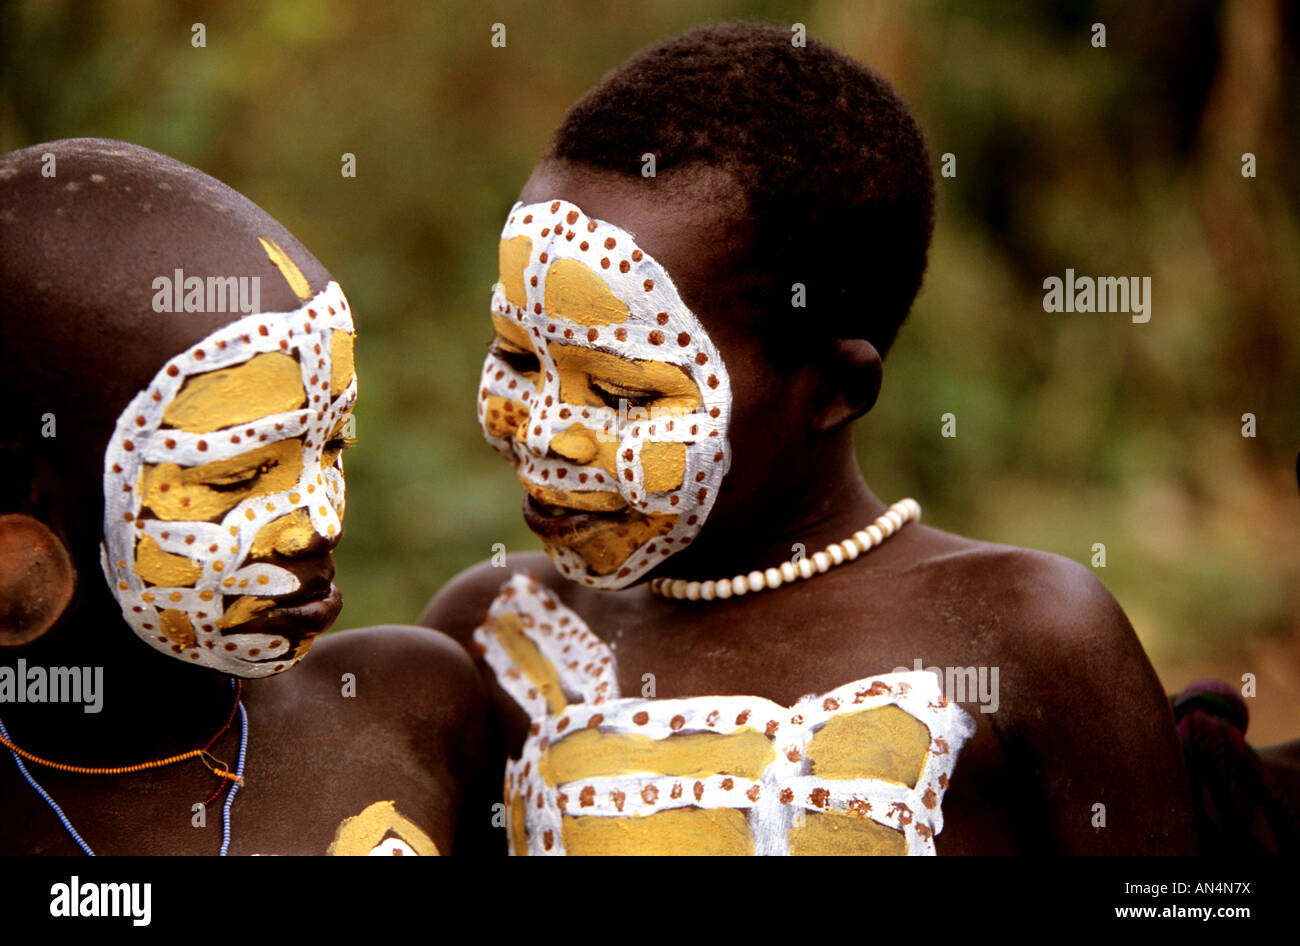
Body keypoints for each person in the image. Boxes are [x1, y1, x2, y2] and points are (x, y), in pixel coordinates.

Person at [422, 22, 1196, 855]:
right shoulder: (498, 634)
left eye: (621, 392)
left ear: (832, 390)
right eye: (516, 355)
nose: (541, 431)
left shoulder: (1028, 634)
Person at [0, 138, 483, 855]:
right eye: (235, 477)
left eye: (331, 446)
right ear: (29, 502)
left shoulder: (417, 709)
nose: (317, 524)